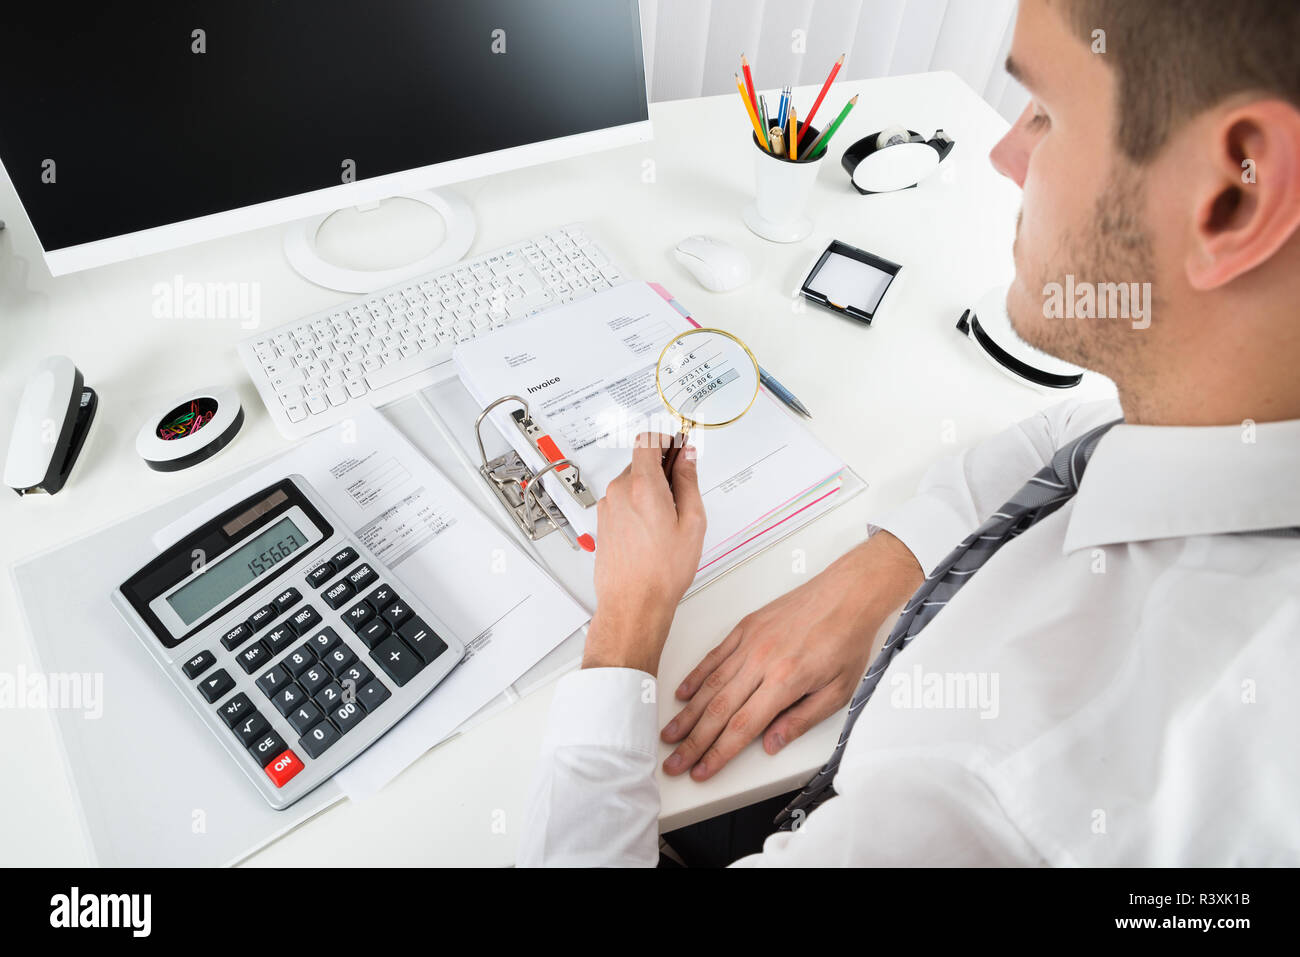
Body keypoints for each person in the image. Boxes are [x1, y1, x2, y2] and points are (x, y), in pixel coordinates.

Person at [517, 0, 1300, 866]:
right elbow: (1075, 433)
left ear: (1233, 194)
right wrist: (879, 572)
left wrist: (625, 624)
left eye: (1047, 111)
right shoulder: (1236, 419)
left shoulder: (1004, 794)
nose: (1004, 156)